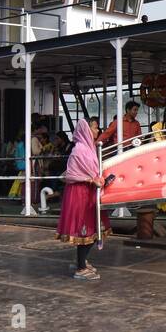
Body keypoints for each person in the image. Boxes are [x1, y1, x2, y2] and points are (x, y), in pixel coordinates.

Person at [57, 118, 110, 280]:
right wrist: (91, 180)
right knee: (84, 230)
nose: (97, 131)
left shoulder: (88, 149)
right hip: (80, 194)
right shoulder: (79, 150)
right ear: (86, 130)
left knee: (93, 229)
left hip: (88, 193)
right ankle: (80, 269)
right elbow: (71, 174)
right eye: (94, 128)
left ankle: (81, 261)